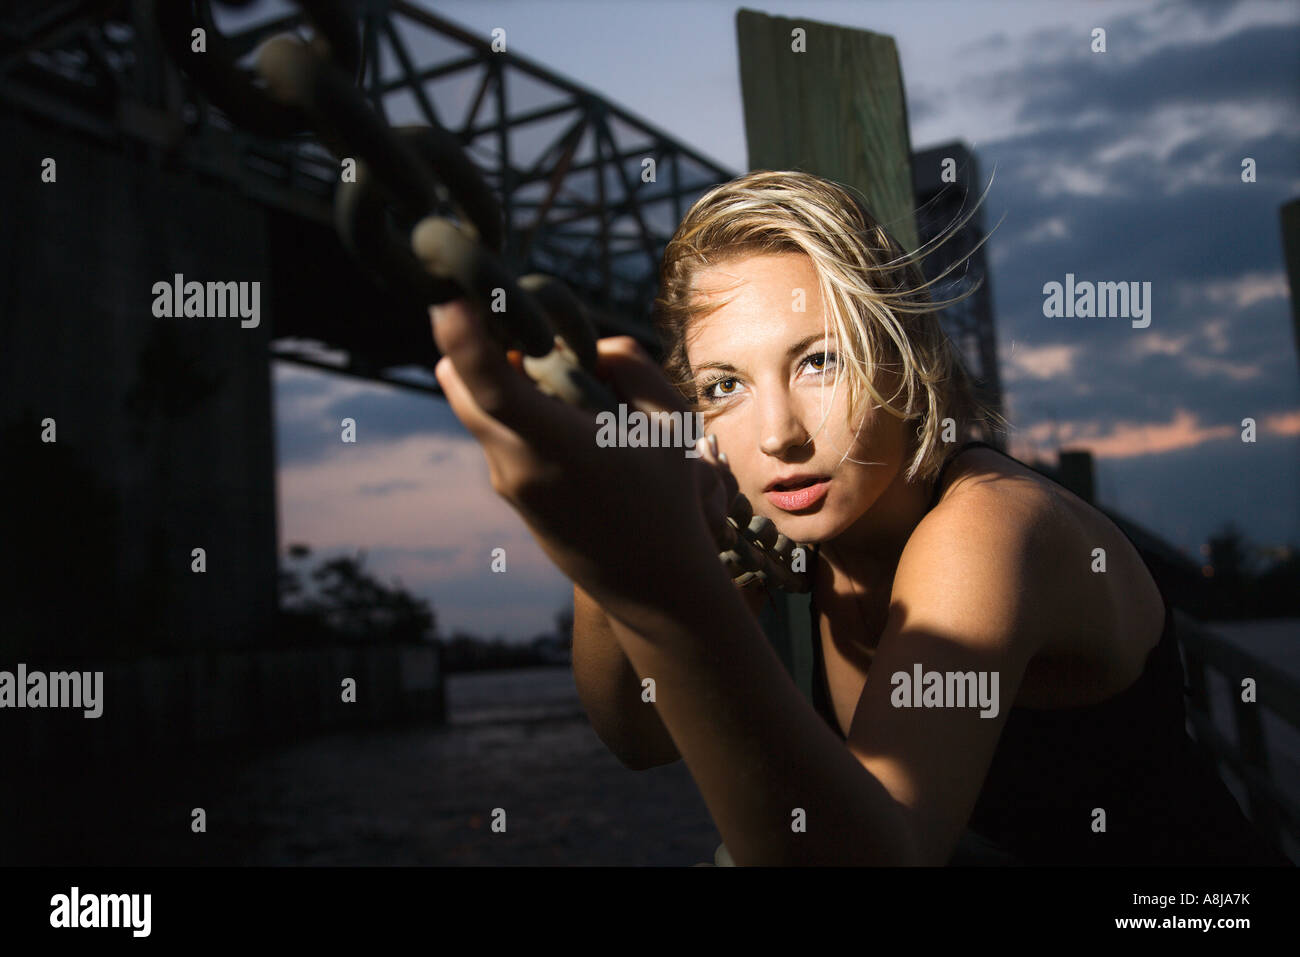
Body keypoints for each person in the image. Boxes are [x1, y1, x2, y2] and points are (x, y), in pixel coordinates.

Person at [430, 169, 1290, 866]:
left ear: (903, 356)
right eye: (724, 385)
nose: (777, 436)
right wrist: (604, 550)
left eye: (818, 361)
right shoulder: (814, 536)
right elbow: (640, 732)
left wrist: (661, 580)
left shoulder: (988, 528)